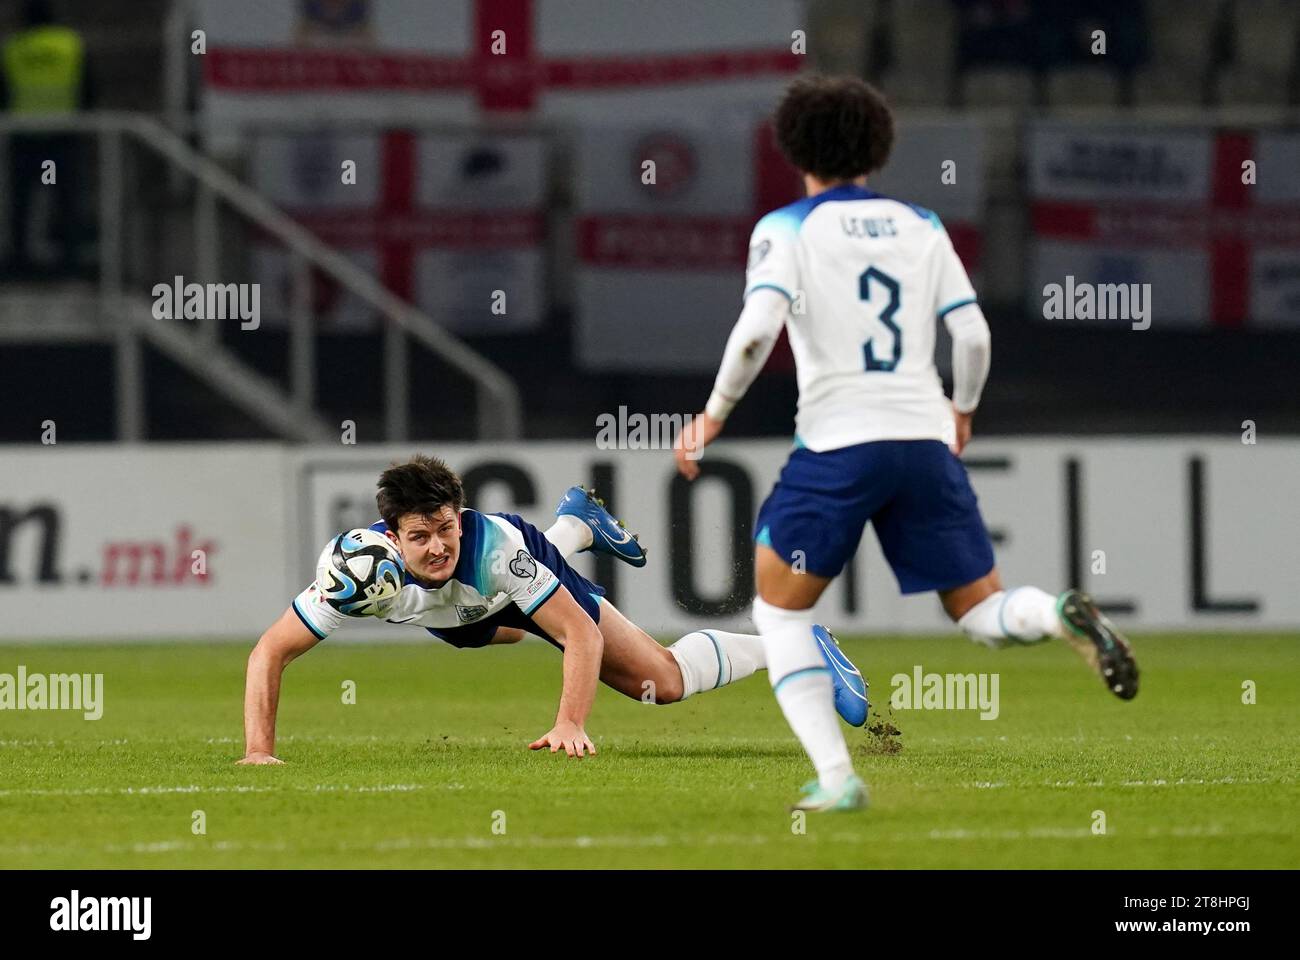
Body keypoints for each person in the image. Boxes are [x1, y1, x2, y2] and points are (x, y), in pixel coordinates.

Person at [675, 75, 1139, 813]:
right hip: (924, 440)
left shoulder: (785, 227)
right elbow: (974, 334)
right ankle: (1057, 613)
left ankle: (837, 780)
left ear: (795, 147)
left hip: (839, 445)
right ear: (878, 149)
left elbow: (759, 327)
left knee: (780, 612)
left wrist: (713, 414)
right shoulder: (921, 224)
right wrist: (962, 408)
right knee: (981, 613)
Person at [239, 454, 868, 765]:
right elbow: (269, 652)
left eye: (444, 528)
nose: (435, 546)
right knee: (507, 633)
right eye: (418, 536)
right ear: (391, 536)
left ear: (459, 518)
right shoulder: (353, 577)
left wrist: (569, 722)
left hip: (507, 578)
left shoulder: (495, 553)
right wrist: (259, 753)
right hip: (468, 618)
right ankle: (578, 519)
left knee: (660, 683)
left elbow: (579, 636)